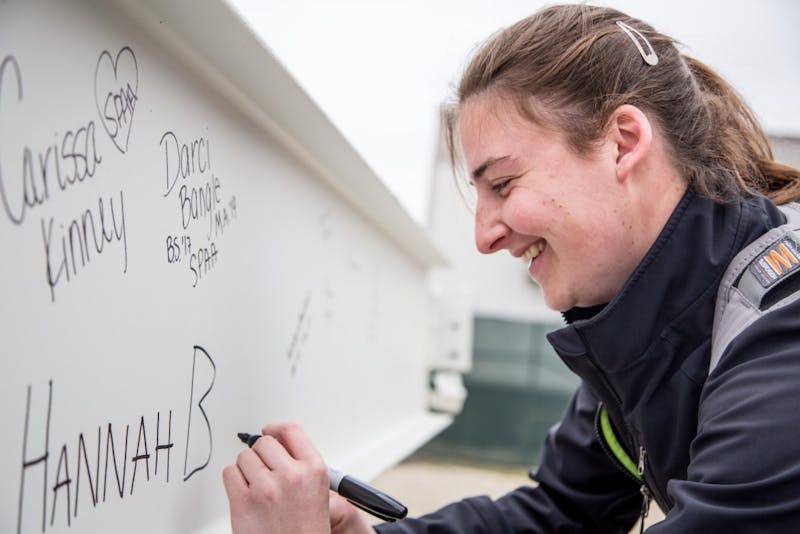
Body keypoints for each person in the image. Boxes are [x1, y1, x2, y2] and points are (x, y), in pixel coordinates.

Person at [221, 4, 800, 532]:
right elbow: (562, 514)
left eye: (502, 184)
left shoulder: (780, 343)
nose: (484, 236)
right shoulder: (637, 327)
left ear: (623, 143)